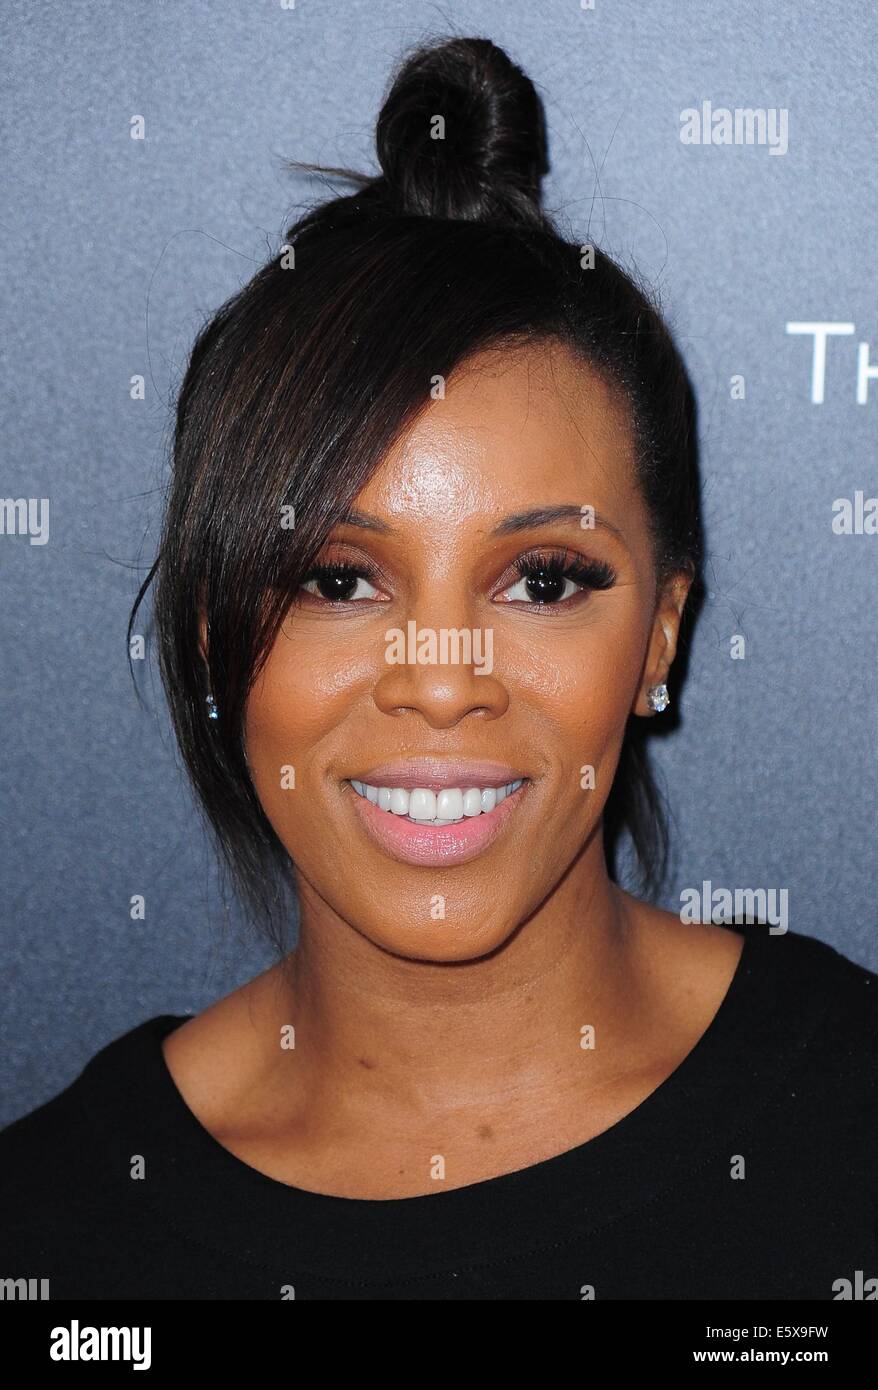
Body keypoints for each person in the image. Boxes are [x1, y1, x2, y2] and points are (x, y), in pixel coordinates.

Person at [2, 35, 876, 1301]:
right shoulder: (51, 1248)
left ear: (661, 637)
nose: (441, 676)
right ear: (210, 640)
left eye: (542, 580)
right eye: (336, 580)